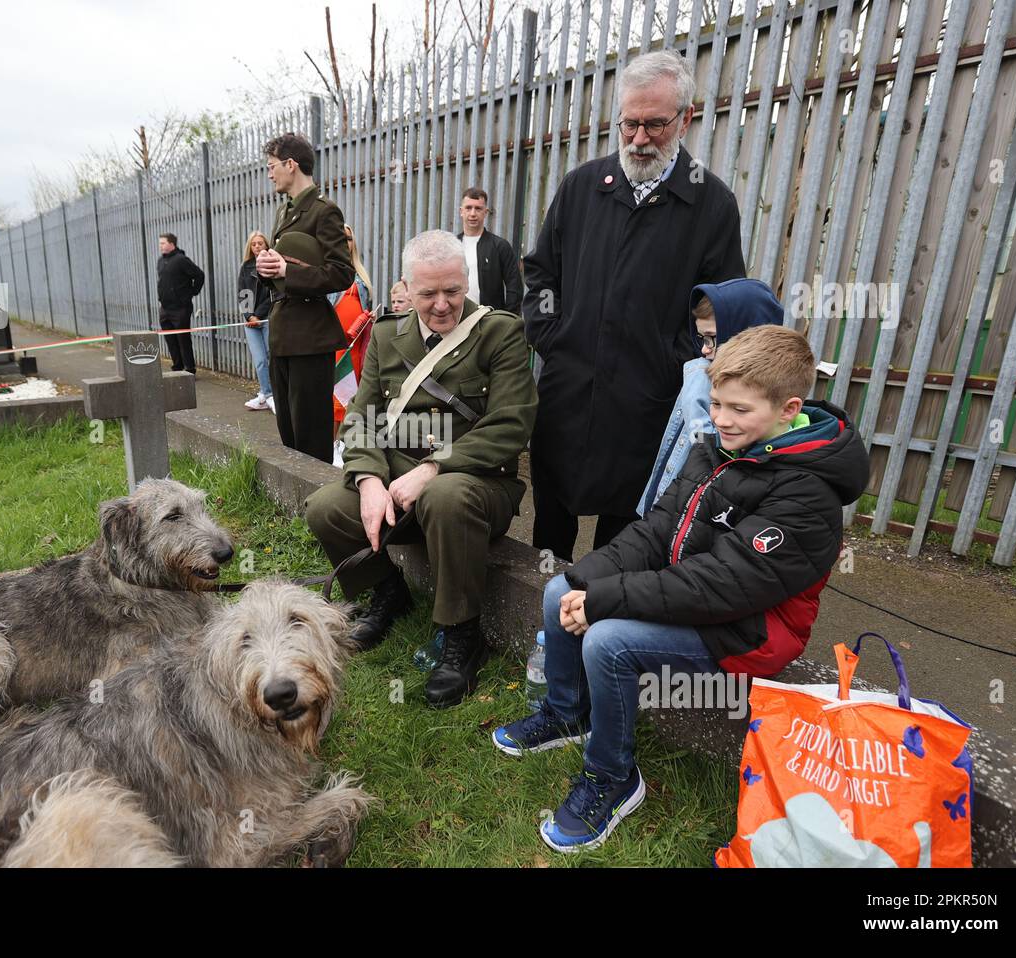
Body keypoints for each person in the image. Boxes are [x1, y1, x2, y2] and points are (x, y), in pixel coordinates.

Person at [492, 325, 870, 853]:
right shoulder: (718, 448)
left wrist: (607, 600)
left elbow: (722, 587)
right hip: (696, 598)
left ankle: (613, 777)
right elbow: (654, 532)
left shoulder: (807, 495)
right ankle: (566, 714)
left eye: (739, 409)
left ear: (788, 409)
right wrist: (586, 580)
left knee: (609, 641)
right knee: (560, 589)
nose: (720, 419)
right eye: (715, 403)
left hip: (751, 630)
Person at [523, 49, 745, 562]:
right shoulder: (583, 185)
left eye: (654, 125)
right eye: (629, 125)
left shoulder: (710, 204)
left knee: (626, 530)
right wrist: (552, 336)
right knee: (552, 515)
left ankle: (598, 620)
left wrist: (672, 361)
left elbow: (719, 308)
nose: (640, 139)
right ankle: (541, 610)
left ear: (685, 118)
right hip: (569, 389)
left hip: (648, 402)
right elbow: (540, 274)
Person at [305, 230, 537, 708]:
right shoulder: (389, 335)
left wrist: (433, 469)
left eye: (452, 290)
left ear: (467, 281)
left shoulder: (501, 332)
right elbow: (360, 420)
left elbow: (512, 424)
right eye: (427, 293)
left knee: (445, 495)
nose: (441, 305)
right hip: (395, 486)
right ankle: (388, 593)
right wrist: (369, 480)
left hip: (475, 487)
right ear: (406, 289)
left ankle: (460, 633)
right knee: (327, 507)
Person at [637, 278, 783, 516]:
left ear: (741, 333)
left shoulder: (763, 384)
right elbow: (690, 448)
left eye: (712, 338)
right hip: (675, 502)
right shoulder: (702, 374)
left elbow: (713, 452)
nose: (705, 349)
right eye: (702, 338)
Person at [257, 132, 354, 464]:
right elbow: (282, 271)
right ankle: (297, 507)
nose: (269, 173)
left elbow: (342, 272)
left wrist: (288, 271)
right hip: (283, 333)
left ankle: (317, 507)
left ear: (290, 164)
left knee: (311, 436)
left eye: (272, 166)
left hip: (311, 338)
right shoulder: (284, 212)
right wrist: (267, 269)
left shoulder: (324, 211)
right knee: (288, 430)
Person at [328, 223, 374, 466]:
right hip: (333, 345)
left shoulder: (361, 276)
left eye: (348, 238)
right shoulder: (329, 273)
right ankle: (331, 446)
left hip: (355, 347)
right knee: (333, 396)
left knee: (352, 396)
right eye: (340, 237)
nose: (345, 242)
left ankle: (345, 445)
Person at [456, 187, 522, 313]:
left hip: (489, 320)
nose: (473, 214)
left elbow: (514, 287)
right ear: (461, 211)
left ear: (485, 212)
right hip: (456, 318)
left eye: (478, 208)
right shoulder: (452, 246)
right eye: (468, 208)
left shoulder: (500, 246)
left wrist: (507, 319)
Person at [156, 233, 205, 374]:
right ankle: (177, 367)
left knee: (183, 339)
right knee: (170, 339)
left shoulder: (181, 260)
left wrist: (192, 292)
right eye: (160, 243)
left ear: (172, 244)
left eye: (163, 243)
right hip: (165, 308)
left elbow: (199, 275)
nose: (161, 246)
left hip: (180, 308)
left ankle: (189, 369)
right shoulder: (161, 261)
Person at [238, 230, 275, 411]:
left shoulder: (273, 264)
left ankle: (272, 394)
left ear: (266, 245)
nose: (257, 246)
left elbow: (273, 294)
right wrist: (249, 316)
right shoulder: (246, 267)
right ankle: (267, 395)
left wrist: (259, 315)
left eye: (260, 243)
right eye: (254, 244)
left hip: (267, 318)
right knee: (260, 360)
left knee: (272, 357)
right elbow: (243, 293)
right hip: (251, 322)